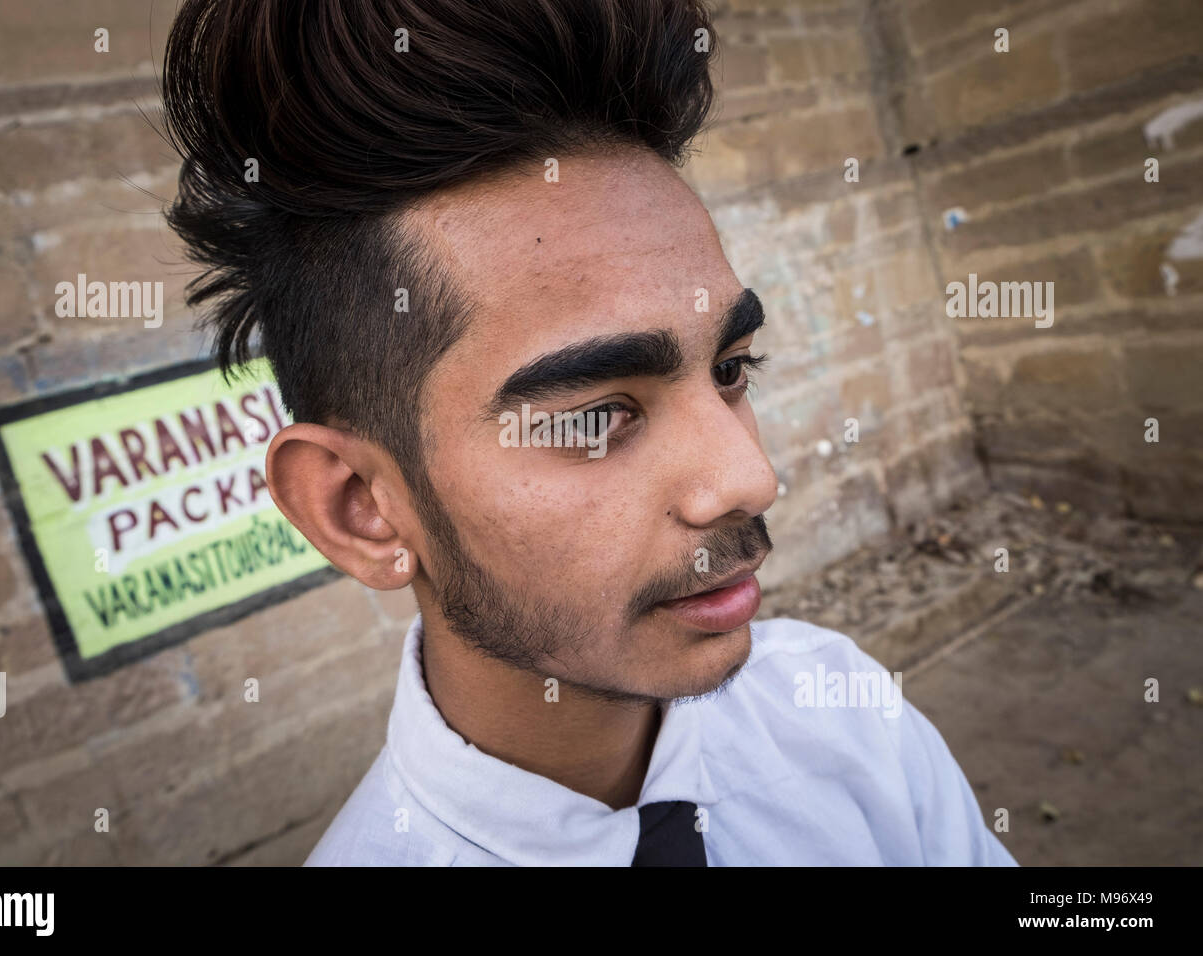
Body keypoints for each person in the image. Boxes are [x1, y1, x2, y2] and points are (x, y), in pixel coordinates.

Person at [160, 0, 1017, 866]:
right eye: (596, 417)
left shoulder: (842, 712)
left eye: (730, 371)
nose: (748, 477)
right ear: (361, 511)